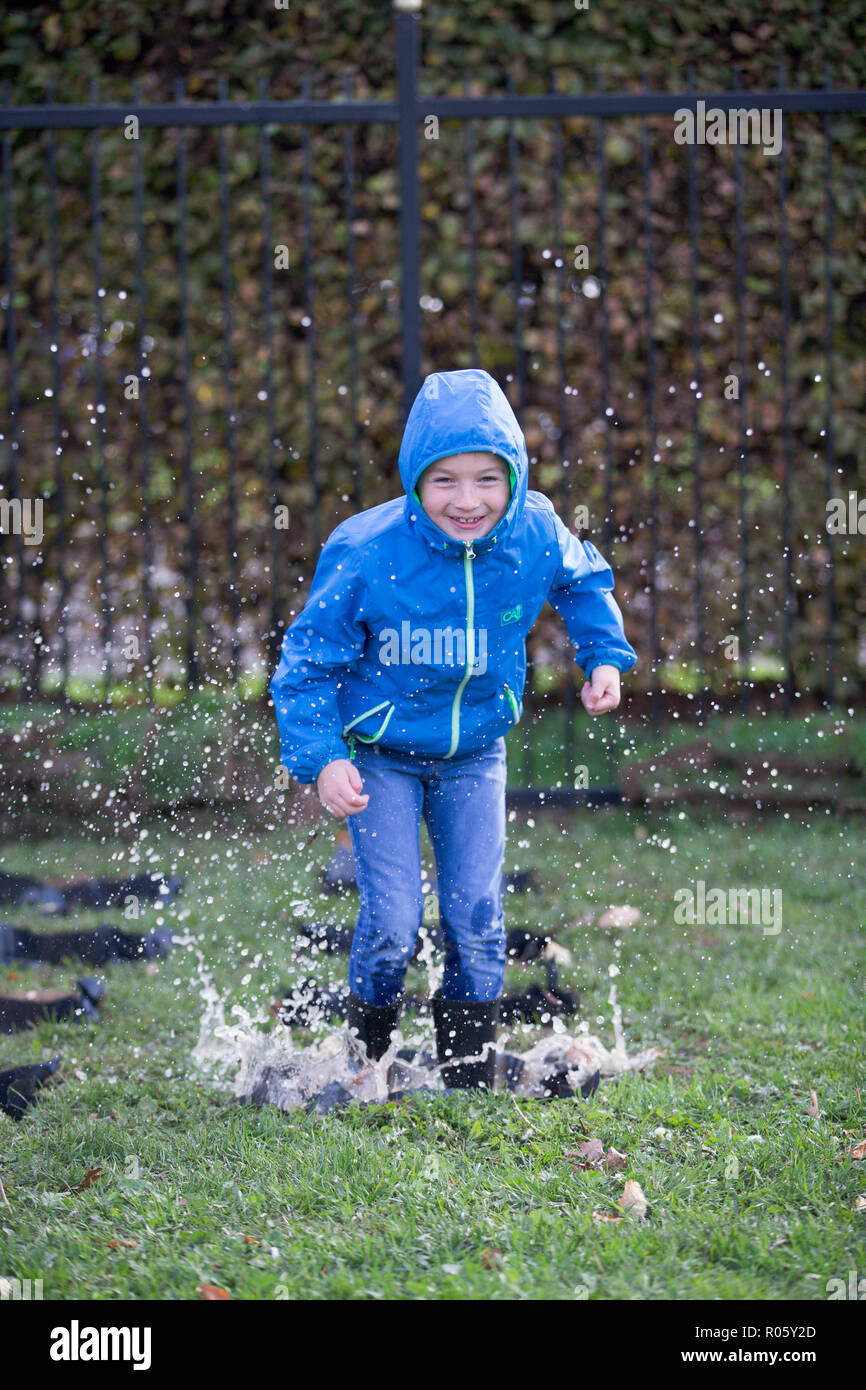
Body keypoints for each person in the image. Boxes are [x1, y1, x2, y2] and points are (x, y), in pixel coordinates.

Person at [270, 368, 637, 1089]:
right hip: (380, 757)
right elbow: (307, 661)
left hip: (475, 752)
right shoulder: (368, 549)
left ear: (514, 476)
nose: (467, 501)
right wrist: (322, 759)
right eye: (444, 481)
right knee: (394, 920)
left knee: (477, 911)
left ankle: (466, 1070)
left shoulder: (533, 530)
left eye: (485, 479)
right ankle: (365, 1060)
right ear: (413, 478)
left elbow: (584, 579)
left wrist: (602, 656)